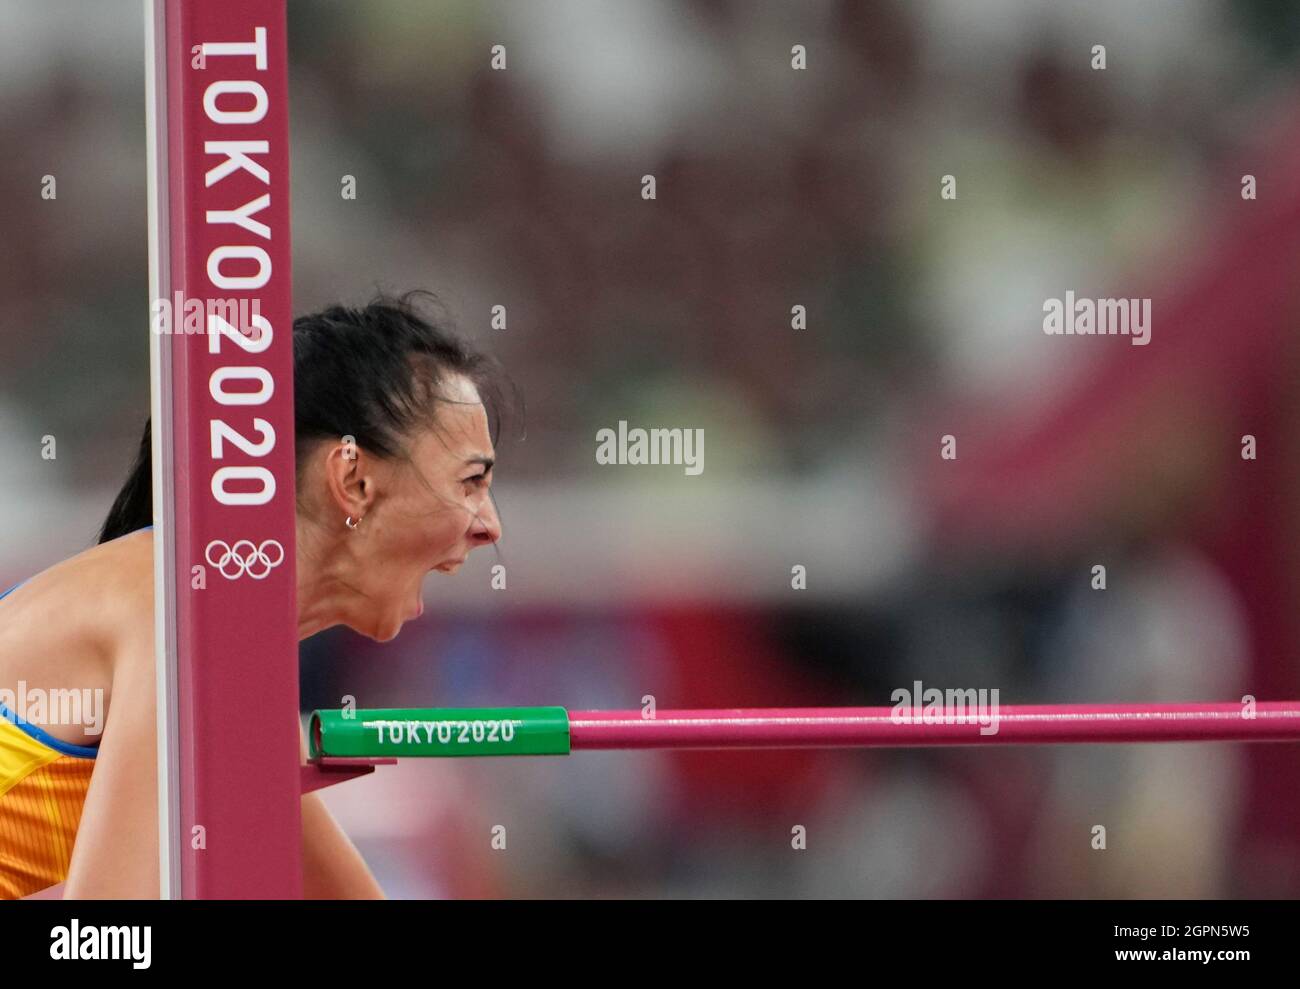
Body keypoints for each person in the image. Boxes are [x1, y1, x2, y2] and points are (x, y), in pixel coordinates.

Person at [0, 291, 512, 898]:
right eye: (471, 482)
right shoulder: (187, 615)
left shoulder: (225, 650)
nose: (490, 527)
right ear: (353, 479)